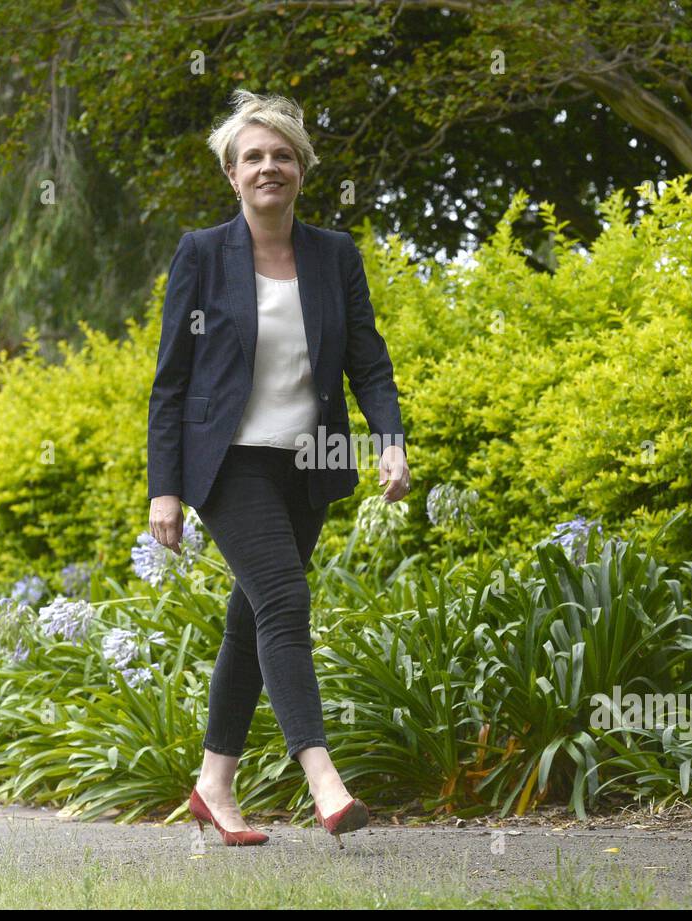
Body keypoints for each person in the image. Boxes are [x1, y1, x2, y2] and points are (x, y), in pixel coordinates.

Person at [146, 88, 410, 848]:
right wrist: (164, 487)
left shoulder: (335, 256)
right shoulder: (201, 253)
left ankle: (213, 786)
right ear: (232, 175)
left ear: (303, 169)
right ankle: (323, 778)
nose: (269, 167)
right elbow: (171, 381)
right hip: (228, 466)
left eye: (282, 155)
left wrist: (389, 437)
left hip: (309, 464)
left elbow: (369, 361)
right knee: (286, 602)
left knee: (250, 618)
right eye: (253, 156)